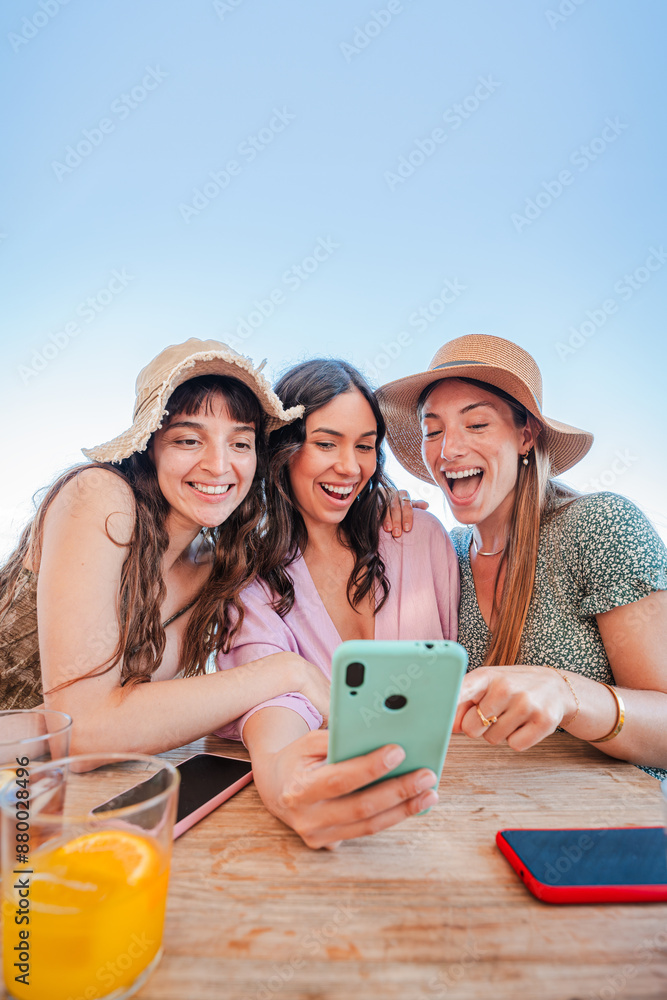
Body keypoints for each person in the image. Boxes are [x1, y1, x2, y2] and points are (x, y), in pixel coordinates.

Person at [0, 339, 330, 753]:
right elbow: (80, 732)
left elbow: (124, 725)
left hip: (45, 789)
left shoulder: (215, 569)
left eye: (241, 443)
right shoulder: (100, 497)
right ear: (149, 446)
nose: (219, 465)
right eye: (188, 440)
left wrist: (374, 507)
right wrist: (288, 672)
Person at [377, 334, 667, 777]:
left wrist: (568, 693)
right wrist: (375, 522)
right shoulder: (445, 554)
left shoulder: (599, 525)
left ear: (525, 435)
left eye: (476, 425)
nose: (447, 449)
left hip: (618, 826)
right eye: (432, 430)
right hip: (492, 815)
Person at [216, 358, 460, 848]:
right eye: (326, 443)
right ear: (282, 449)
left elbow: (450, 674)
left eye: (365, 447)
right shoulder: (251, 578)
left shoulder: (421, 538)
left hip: (448, 810)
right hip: (332, 817)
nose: (350, 467)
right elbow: (272, 702)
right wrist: (282, 773)